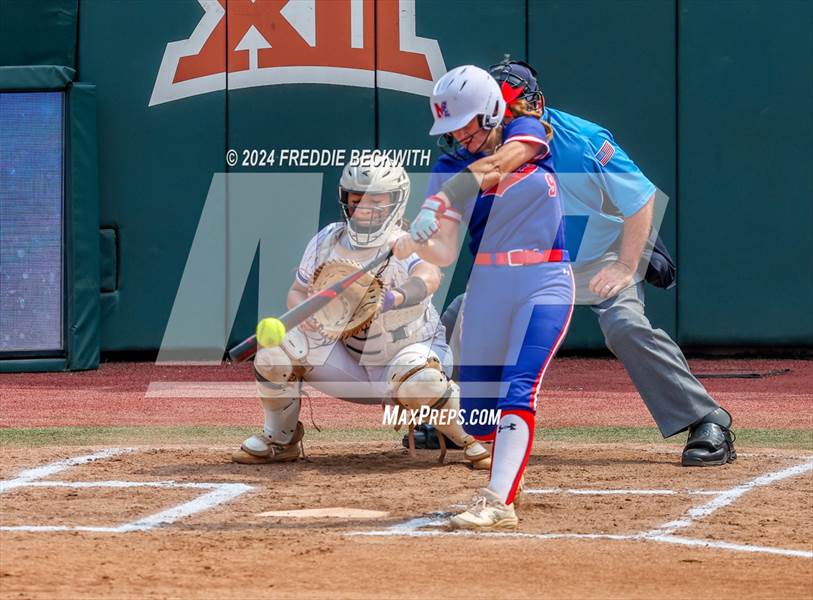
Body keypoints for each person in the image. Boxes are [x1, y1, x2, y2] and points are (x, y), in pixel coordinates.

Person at [414, 58, 736, 467]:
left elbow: (640, 198)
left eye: (517, 107)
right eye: (503, 108)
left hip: (597, 259)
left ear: (536, 104)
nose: (511, 116)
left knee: (625, 326)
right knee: (460, 314)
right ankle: (455, 419)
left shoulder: (581, 139)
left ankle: (706, 419)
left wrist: (624, 265)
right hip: (530, 266)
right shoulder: (474, 149)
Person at [392, 65, 574, 530]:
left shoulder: (526, 131)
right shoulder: (448, 165)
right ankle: (495, 463)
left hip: (545, 278)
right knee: (479, 419)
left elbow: (497, 165)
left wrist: (443, 199)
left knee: (521, 387)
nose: (457, 135)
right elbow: (446, 250)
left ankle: (498, 500)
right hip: (488, 289)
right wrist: (415, 240)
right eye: (450, 127)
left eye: (464, 124)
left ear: (492, 113)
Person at [232, 158, 490, 470]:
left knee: (419, 381)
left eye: (376, 202)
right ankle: (280, 439)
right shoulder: (328, 240)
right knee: (275, 353)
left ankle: (466, 439)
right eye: (357, 201)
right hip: (350, 364)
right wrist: (307, 315)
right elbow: (298, 292)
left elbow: (428, 278)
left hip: (407, 353)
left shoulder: (404, 242)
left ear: (396, 201)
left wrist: (392, 298)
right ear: (345, 201)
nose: (365, 209)